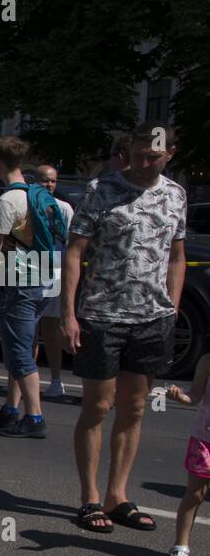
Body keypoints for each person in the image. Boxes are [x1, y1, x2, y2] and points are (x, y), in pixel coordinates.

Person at [61, 123, 187, 533]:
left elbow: (176, 257)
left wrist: (173, 306)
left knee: (134, 408)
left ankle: (118, 495)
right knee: (97, 407)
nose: (143, 163)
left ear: (170, 153)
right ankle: (89, 498)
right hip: (103, 316)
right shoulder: (101, 190)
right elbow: (75, 253)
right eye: (136, 155)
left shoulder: (175, 195)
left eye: (152, 156)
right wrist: (69, 313)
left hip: (153, 318)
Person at [0, 136, 56, 438]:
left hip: (18, 283)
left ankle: (34, 417)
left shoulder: (7, 201)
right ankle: (11, 408)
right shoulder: (36, 193)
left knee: (20, 354)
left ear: (0, 162)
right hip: (41, 278)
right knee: (20, 347)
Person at [33, 165, 75, 399]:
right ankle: (28, 380)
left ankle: (56, 380)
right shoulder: (29, 205)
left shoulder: (64, 208)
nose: (49, 185)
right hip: (29, 270)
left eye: (52, 181)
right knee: (30, 328)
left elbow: (71, 246)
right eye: (44, 181)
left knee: (51, 329)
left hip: (54, 272)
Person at [164, 356, 210, 556]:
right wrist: (179, 396)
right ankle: (180, 546)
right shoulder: (207, 361)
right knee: (195, 493)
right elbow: (194, 395)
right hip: (205, 439)